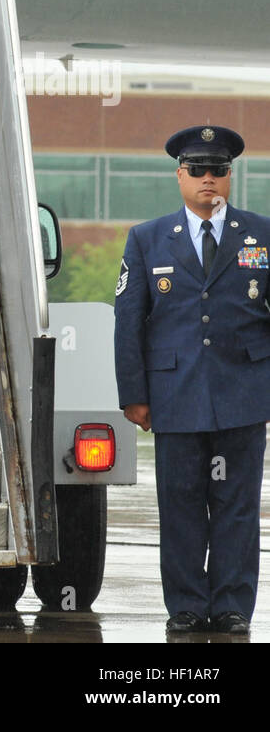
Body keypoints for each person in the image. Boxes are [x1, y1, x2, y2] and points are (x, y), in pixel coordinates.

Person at [114, 124, 270, 635]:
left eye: (219, 170)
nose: (209, 179)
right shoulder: (148, 238)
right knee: (180, 506)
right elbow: (130, 320)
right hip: (174, 398)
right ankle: (185, 604)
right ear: (179, 176)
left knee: (237, 508)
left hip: (243, 394)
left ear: (230, 175)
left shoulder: (261, 235)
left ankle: (230, 607)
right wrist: (134, 395)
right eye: (198, 170)